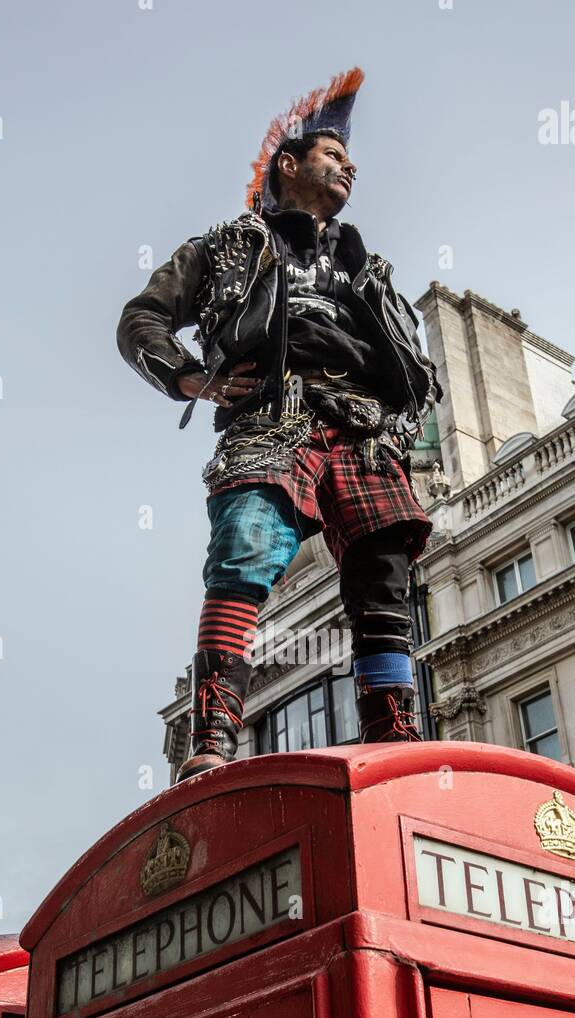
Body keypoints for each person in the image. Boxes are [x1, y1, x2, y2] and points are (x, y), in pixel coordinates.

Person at [117, 69, 441, 782]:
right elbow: (140, 319)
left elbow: (414, 362)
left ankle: (393, 742)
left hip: (362, 432)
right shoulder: (225, 246)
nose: (349, 170)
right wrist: (188, 378)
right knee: (242, 561)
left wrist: (397, 400)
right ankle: (212, 739)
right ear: (287, 165)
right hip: (271, 420)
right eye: (334, 158)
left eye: (353, 165)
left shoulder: (368, 266)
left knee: (383, 583)